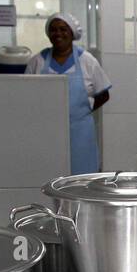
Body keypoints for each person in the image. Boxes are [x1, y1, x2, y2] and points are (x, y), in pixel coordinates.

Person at [24, 12, 111, 174]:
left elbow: (104, 94)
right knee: (47, 175)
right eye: (53, 30)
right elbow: (26, 96)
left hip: (80, 133)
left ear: (72, 33)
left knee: (81, 178)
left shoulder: (87, 61)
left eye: (63, 29)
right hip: (45, 132)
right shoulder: (37, 61)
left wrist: (82, 110)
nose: (58, 34)